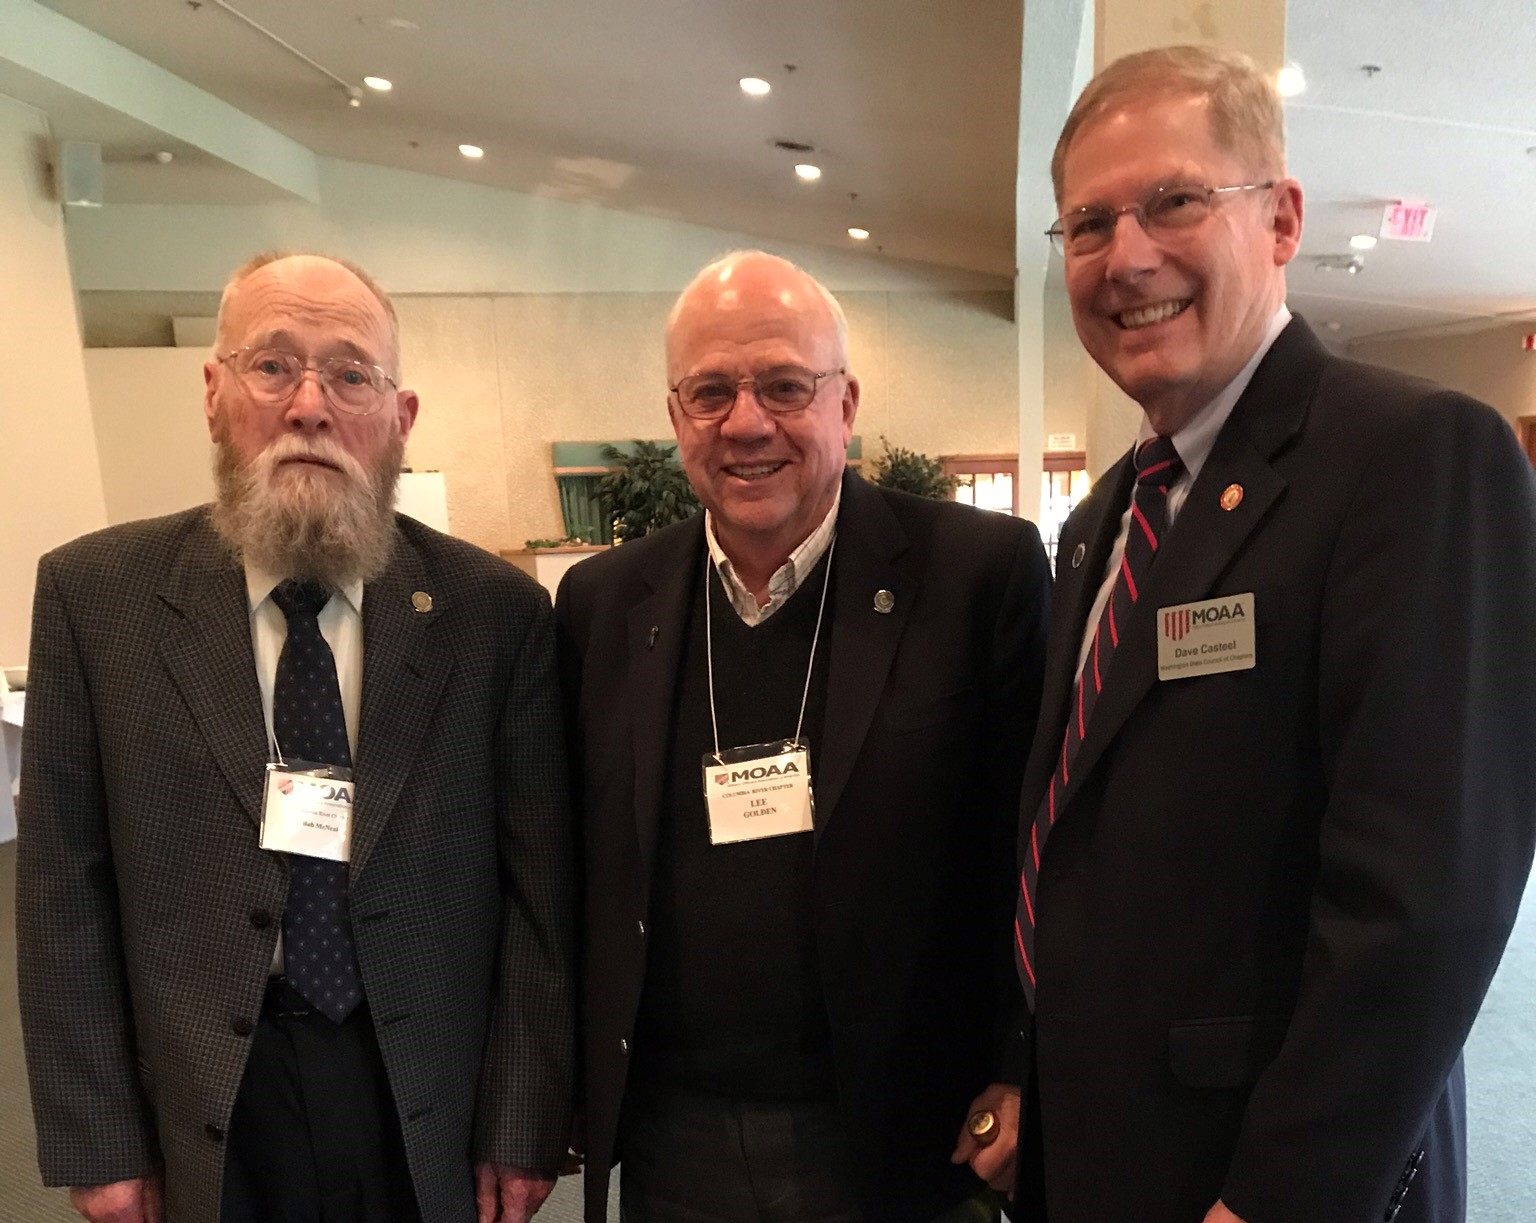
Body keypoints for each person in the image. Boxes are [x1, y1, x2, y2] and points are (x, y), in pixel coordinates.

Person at [1012, 44, 1536, 1223]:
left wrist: (1282, 1196)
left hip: (1267, 1170)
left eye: (1175, 201)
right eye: (1088, 223)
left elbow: (1427, 899)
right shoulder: (1103, 517)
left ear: (1283, 217)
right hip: (1099, 1138)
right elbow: (1069, 824)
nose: (1127, 254)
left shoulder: (1414, 456)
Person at [17, 252, 576, 1223]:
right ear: (214, 391)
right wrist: (99, 1136)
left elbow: (540, 896)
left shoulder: (497, 616)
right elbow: (64, 890)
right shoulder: (93, 598)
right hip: (208, 1095)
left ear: (399, 418)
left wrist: (522, 1123)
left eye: (351, 373)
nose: (309, 405)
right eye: (273, 366)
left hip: (422, 1091)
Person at [555, 250, 1052, 1222]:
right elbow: (573, 859)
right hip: (675, 1130)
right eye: (711, 392)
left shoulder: (975, 575)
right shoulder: (603, 603)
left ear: (844, 402)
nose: (747, 423)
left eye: (785, 385)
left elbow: (1036, 841)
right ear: (674, 415)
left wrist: (1023, 1064)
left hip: (900, 1123)